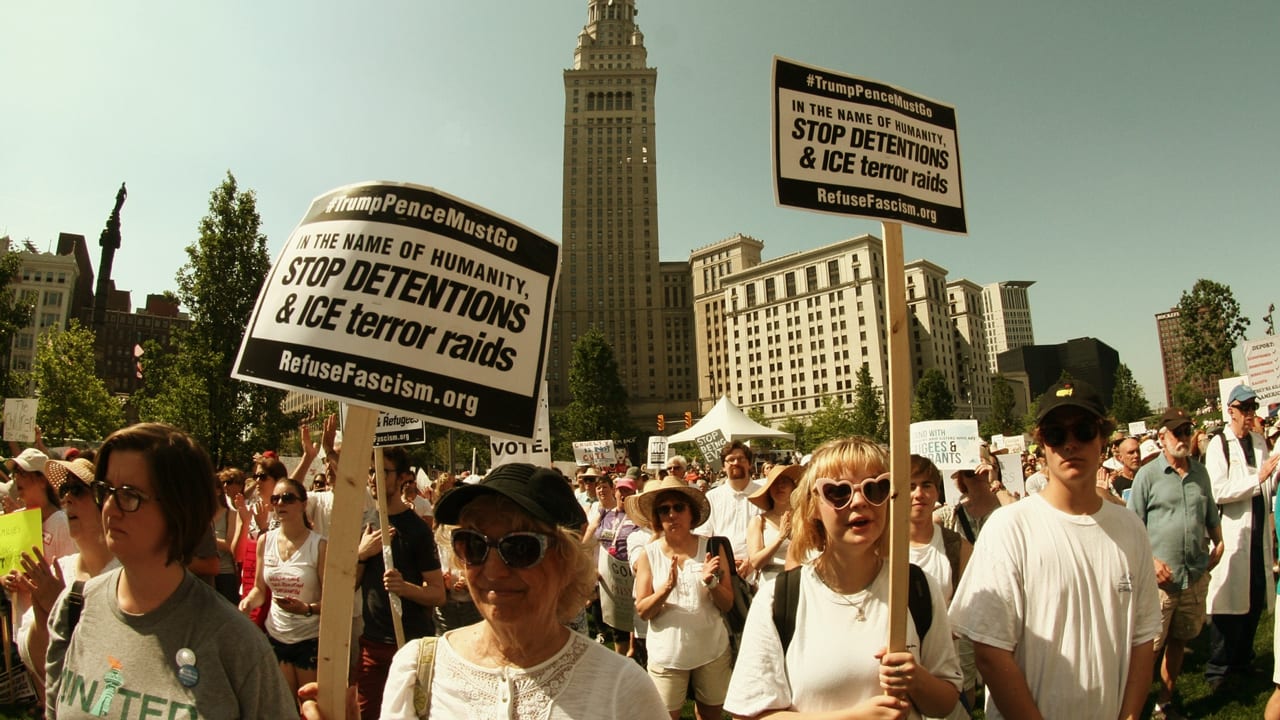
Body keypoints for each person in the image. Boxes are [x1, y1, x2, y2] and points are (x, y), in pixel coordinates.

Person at [301, 462, 667, 719]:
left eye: (520, 547)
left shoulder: (623, 689)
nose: (492, 569)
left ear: (566, 561)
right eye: (472, 544)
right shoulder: (417, 670)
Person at [45, 422, 296, 718]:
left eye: (129, 495)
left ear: (179, 510)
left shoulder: (236, 643)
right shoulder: (74, 608)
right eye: (105, 490)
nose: (110, 508)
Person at [949, 380, 1160, 719]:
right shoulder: (1009, 528)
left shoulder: (1131, 529)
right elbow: (989, 651)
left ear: (1103, 440)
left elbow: (1142, 637)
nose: (1070, 444)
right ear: (1042, 446)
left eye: (1083, 430)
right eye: (1056, 435)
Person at [724, 437, 961, 718]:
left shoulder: (916, 586)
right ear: (813, 506)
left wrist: (917, 679)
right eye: (839, 492)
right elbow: (748, 714)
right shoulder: (777, 599)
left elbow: (946, 702)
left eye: (875, 488)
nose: (859, 501)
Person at [1128, 407, 1222, 720]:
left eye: (1186, 431)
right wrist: (1151, 561)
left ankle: (1164, 703)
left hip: (1193, 576)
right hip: (1159, 583)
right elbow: (1131, 527)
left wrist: (1219, 541)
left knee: (1180, 640)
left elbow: (1210, 516)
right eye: (1176, 432)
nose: (1182, 438)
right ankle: (1132, 708)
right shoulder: (1147, 475)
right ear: (1162, 436)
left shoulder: (1200, 473)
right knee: (1149, 649)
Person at [14, 458, 120, 704]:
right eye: (64, 490)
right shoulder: (60, 568)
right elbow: (40, 665)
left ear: (105, 503)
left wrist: (66, 611)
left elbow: (117, 664)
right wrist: (44, 613)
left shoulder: (126, 576)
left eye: (79, 490)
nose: (68, 498)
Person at [631, 477, 734, 720]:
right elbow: (643, 611)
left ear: (691, 513)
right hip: (667, 656)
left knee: (710, 715)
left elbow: (727, 603)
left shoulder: (712, 548)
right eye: (664, 509)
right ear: (657, 518)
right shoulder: (649, 554)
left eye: (678, 507)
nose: (671, 514)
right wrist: (665, 589)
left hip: (712, 651)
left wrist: (712, 583)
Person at [354, 446, 445, 720]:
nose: (373, 479)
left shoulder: (417, 530)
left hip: (410, 644)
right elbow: (350, 585)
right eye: (370, 472)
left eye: (381, 472)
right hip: (372, 644)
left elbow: (438, 594)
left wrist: (404, 588)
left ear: (403, 477)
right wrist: (361, 555)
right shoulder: (367, 524)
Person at [1204, 384, 1280, 693]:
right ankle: (1218, 670)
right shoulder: (1218, 445)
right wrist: (1257, 479)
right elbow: (1218, 492)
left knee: (1253, 602)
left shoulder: (1259, 441)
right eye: (1244, 409)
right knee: (1227, 606)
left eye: (1253, 409)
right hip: (1234, 535)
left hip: (1259, 532)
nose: (1250, 415)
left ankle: (1242, 660)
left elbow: (1267, 483)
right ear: (1230, 410)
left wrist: (1272, 476)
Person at [239, 476, 326, 699]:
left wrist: (306, 608)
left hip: (309, 639)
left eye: (288, 498)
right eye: (275, 498)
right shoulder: (264, 541)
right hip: (276, 635)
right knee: (283, 706)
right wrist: (248, 602)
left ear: (303, 504)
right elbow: (260, 589)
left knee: (308, 705)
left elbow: (332, 603)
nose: (280, 504)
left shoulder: (319, 545)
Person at [696, 441, 762, 579]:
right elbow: (703, 536)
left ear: (749, 463)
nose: (735, 462)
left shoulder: (763, 494)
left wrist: (751, 561)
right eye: (730, 459)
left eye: (741, 459)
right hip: (722, 571)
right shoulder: (711, 497)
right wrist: (724, 562)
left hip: (758, 570)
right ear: (723, 466)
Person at [746, 463, 801, 584]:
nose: (780, 486)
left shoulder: (804, 519)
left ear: (793, 487)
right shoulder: (758, 521)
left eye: (784, 482)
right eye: (775, 483)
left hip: (802, 580)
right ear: (769, 490)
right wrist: (780, 538)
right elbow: (755, 562)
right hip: (770, 584)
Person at [212, 467, 244, 604]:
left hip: (224, 576)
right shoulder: (200, 517)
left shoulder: (231, 515)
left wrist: (206, 538)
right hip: (202, 575)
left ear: (218, 491)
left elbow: (231, 546)